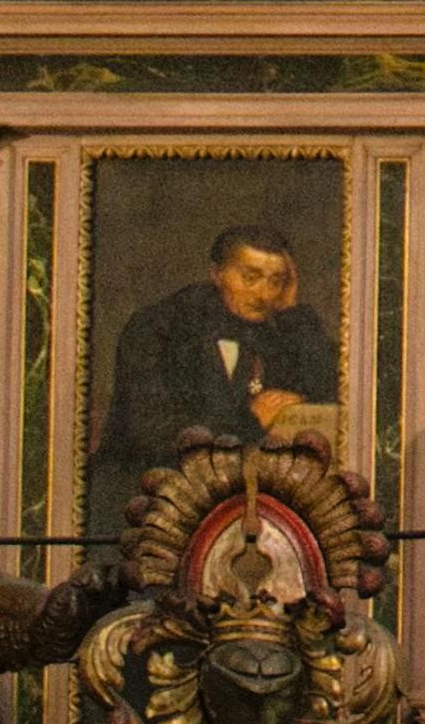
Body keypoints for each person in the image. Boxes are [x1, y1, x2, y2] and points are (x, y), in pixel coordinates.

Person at [94, 226, 342, 536]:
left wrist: (291, 309)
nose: (264, 294)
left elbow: (331, 393)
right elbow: (153, 430)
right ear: (217, 274)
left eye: (276, 282)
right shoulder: (158, 327)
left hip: (241, 514)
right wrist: (249, 419)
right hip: (146, 508)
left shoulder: (279, 331)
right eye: (250, 278)